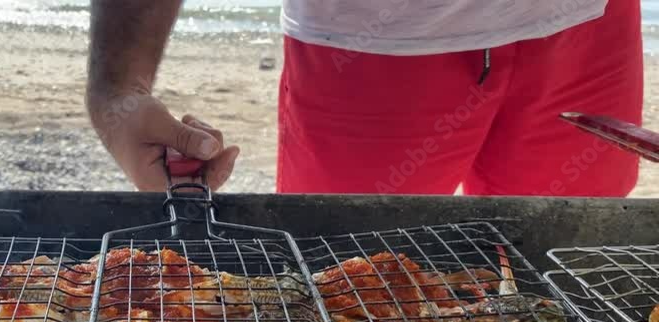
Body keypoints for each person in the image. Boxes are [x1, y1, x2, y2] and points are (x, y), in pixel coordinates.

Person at [86, 1, 643, 196]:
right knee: (344, 294)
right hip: (369, 41)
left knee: (553, 275)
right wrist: (118, 86)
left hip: (590, 23)